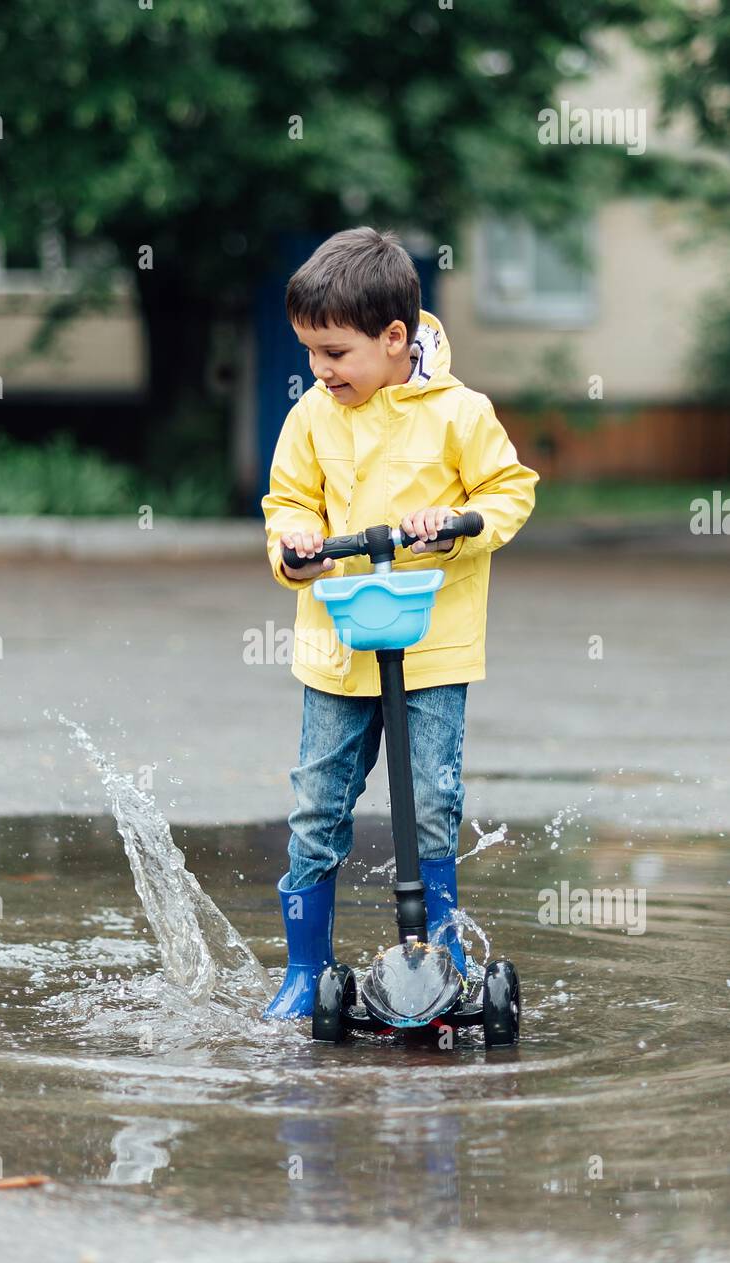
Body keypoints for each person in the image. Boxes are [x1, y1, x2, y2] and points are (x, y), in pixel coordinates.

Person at [261, 226, 538, 1018]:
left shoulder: (459, 412)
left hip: (431, 650)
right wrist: (297, 547)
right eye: (310, 351)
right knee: (317, 808)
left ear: (394, 340)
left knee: (430, 806)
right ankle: (304, 970)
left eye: (334, 353)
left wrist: (458, 522)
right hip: (335, 650)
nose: (319, 369)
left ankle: (440, 959)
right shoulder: (313, 416)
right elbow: (286, 505)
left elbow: (508, 491)